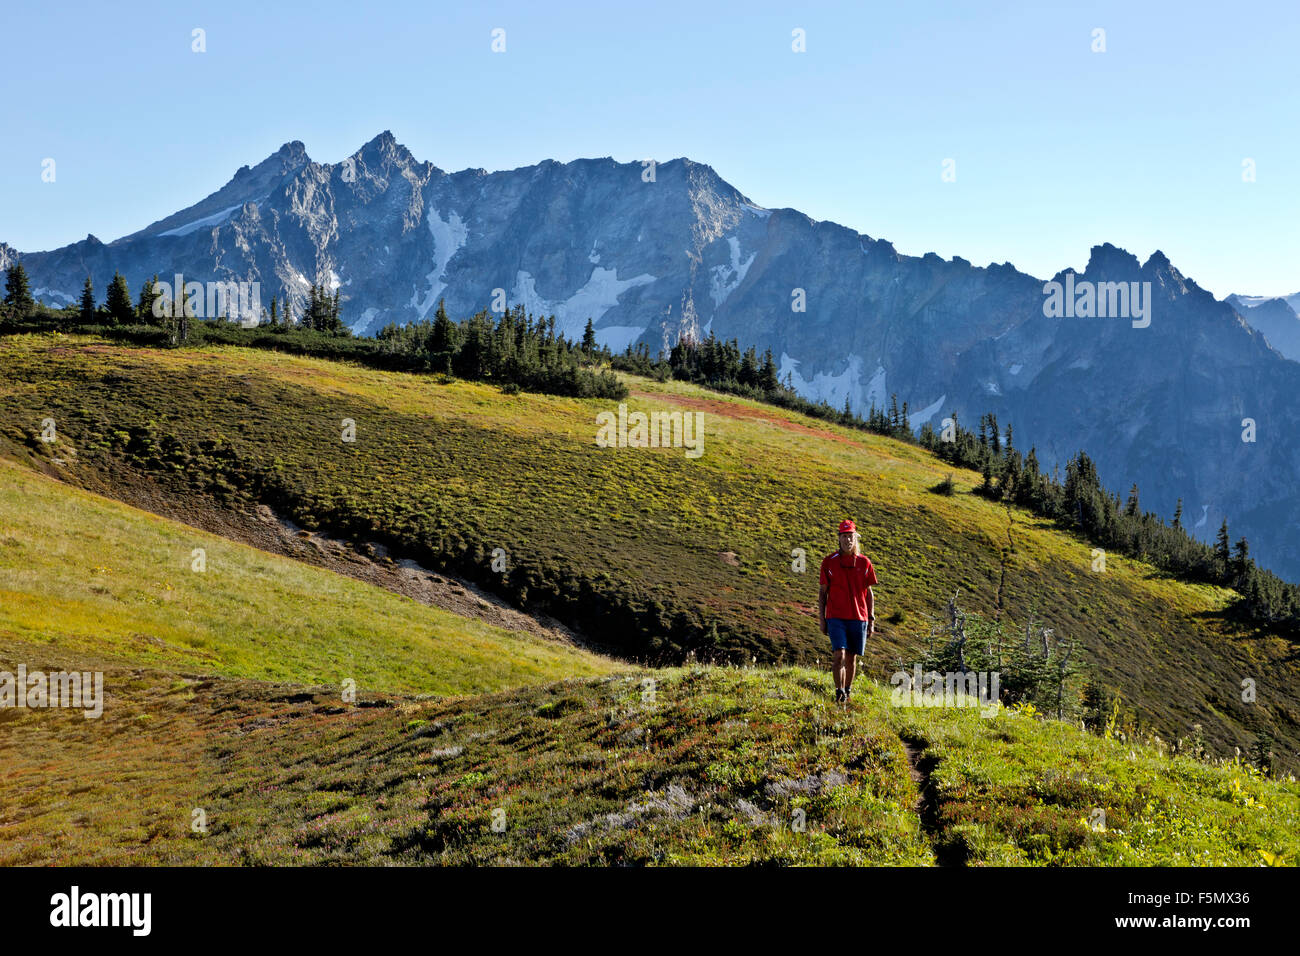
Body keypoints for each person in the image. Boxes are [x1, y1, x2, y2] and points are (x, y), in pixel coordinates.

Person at [818, 519, 878, 703]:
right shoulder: (829, 562)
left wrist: (871, 619)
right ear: (839, 538)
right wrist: (822, 619)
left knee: (851, 658)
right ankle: (839, 692)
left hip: (859, 618)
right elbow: (822, 594)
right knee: (839, 655)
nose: (847, 540)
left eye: (850, 536)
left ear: (855, 538)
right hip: (835, 617)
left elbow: (869, 593)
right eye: (844, 536)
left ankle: (847, 692)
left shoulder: (864, 562)